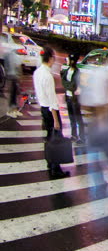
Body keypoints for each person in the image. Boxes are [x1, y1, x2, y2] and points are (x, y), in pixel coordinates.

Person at [34, 47, 69, 179]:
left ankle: (50, 163)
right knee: (56, 138)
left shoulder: (37, 73)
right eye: (53, 58)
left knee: (49, 138)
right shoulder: (47, 76)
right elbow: (52, 100)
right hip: (50, 110)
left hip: (43, 108)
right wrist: (56, 119)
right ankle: (56, 168)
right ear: (50, 59)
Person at [60, 54, 86, 143]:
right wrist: (69, 86)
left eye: (69, 60)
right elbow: (63, 81)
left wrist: (69, 86)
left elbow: (75, 85)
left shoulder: (77, 72)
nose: (67, 61)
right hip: (68, 96)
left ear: (72, 61)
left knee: (78, 118)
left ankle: (82, 137)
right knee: (71, 118)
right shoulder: (67, 70)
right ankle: (74, 135)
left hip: (75, 98)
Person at [4, 43, 22, 118]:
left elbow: (6, 67)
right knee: (13, 95)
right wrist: (20, 76)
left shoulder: (7, 55)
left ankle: (14, 110)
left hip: (11, 76)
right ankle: (10, 111)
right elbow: (18, 66)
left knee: (13, 95)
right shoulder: (15, 56)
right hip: (14, 77)